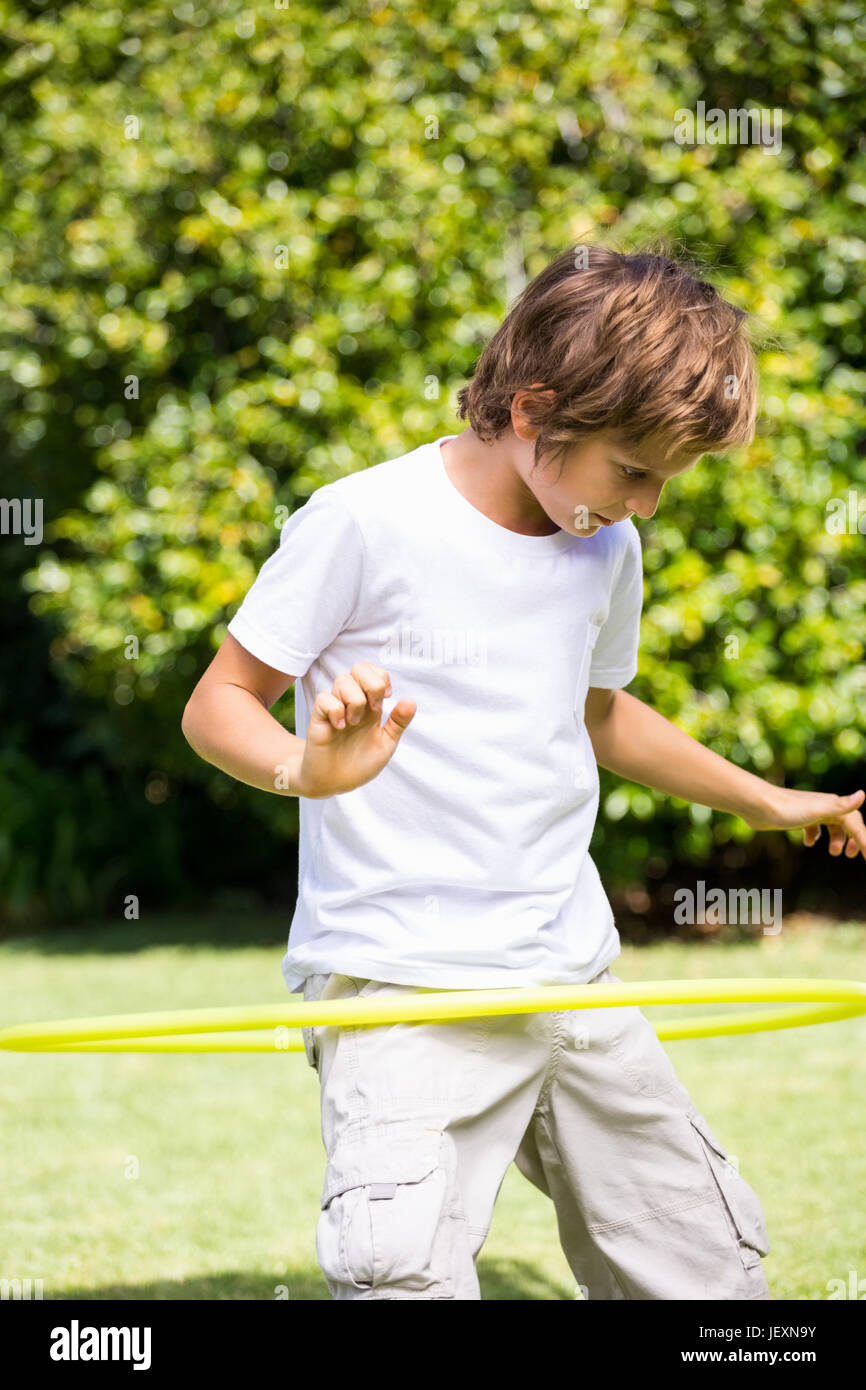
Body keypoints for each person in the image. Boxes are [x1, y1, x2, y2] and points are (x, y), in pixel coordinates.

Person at [181, 243, 866, 1300]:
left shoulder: (602, 547)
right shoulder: (363, 522)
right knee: (399, 1274)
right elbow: (216, 703)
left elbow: (593, 712)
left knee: (701, 1265)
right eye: (631, 471)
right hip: (401, 983)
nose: (644, 506)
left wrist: (762, 798)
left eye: (661, 483)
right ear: (535, 409)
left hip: (564, 970)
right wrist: (302, 771)